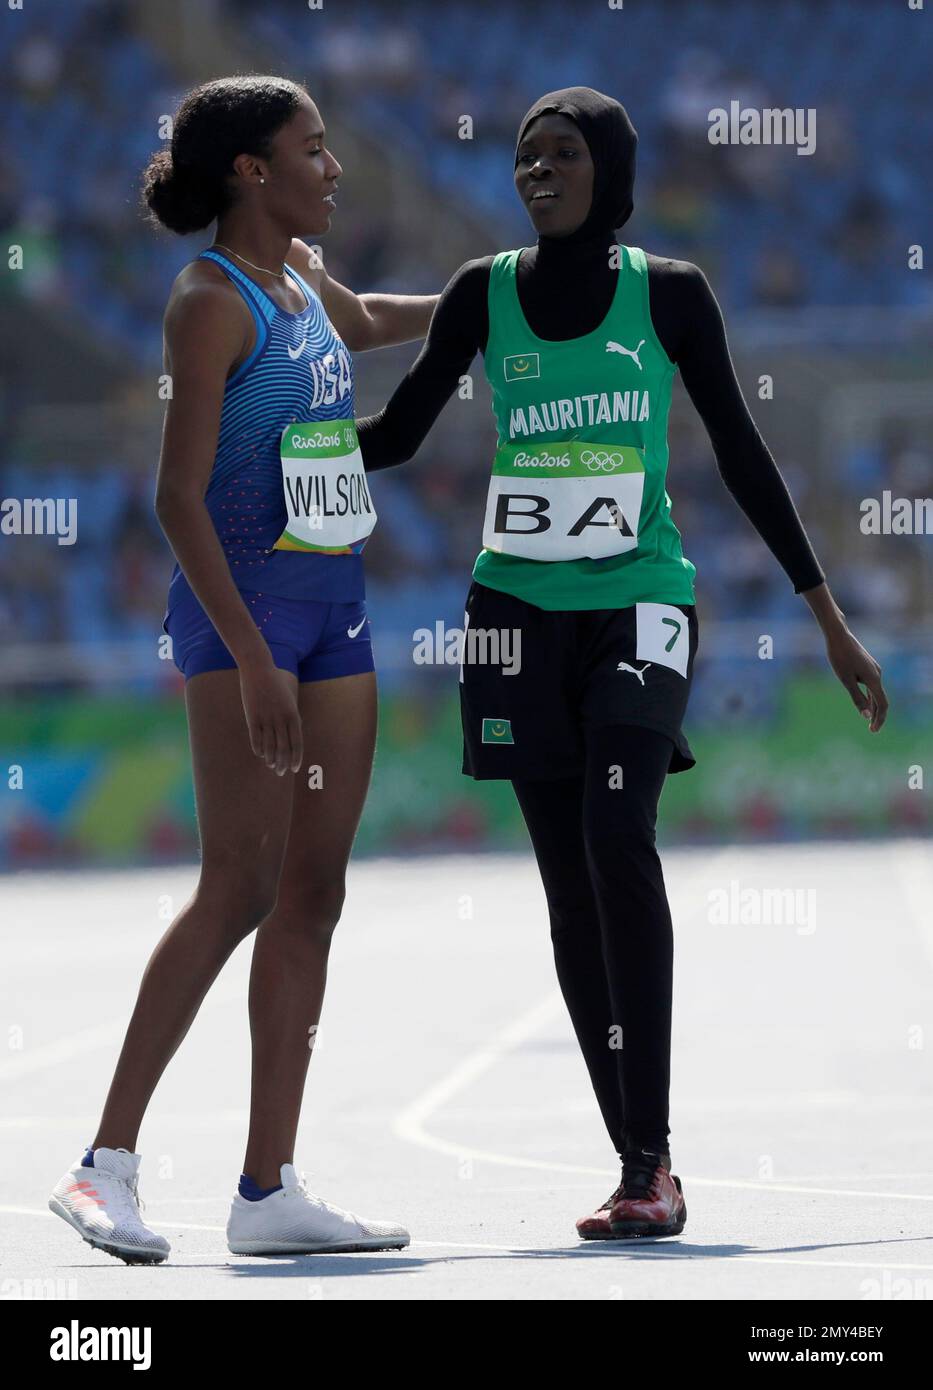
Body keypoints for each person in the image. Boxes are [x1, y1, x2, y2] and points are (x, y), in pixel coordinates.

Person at [358, 87, 888, 1240]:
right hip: (512, 615)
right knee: (567, 888)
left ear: (610, 168)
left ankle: (649, 1156)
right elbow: (394, 436)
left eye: (562, 153)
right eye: (523, 156)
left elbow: (741, 448)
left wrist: (827, 615)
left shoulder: (671, 294)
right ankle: (642, 1166)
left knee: (616, 835)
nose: (537, 171)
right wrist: (271, 451)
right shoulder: (482, 293)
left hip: (641, 600)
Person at [48, 75, 438, 1263]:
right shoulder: (208, 302)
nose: (336, 167)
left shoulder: (303, 278)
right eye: (314, 150)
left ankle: (269, 1189)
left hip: (334, 604)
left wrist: (498, 293)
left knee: (315, 891)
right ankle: (103, 1164)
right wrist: (257, 659)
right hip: (245, 621)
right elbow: (175, 496)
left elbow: (371, 318)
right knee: (238, 886)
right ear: (252, 172)